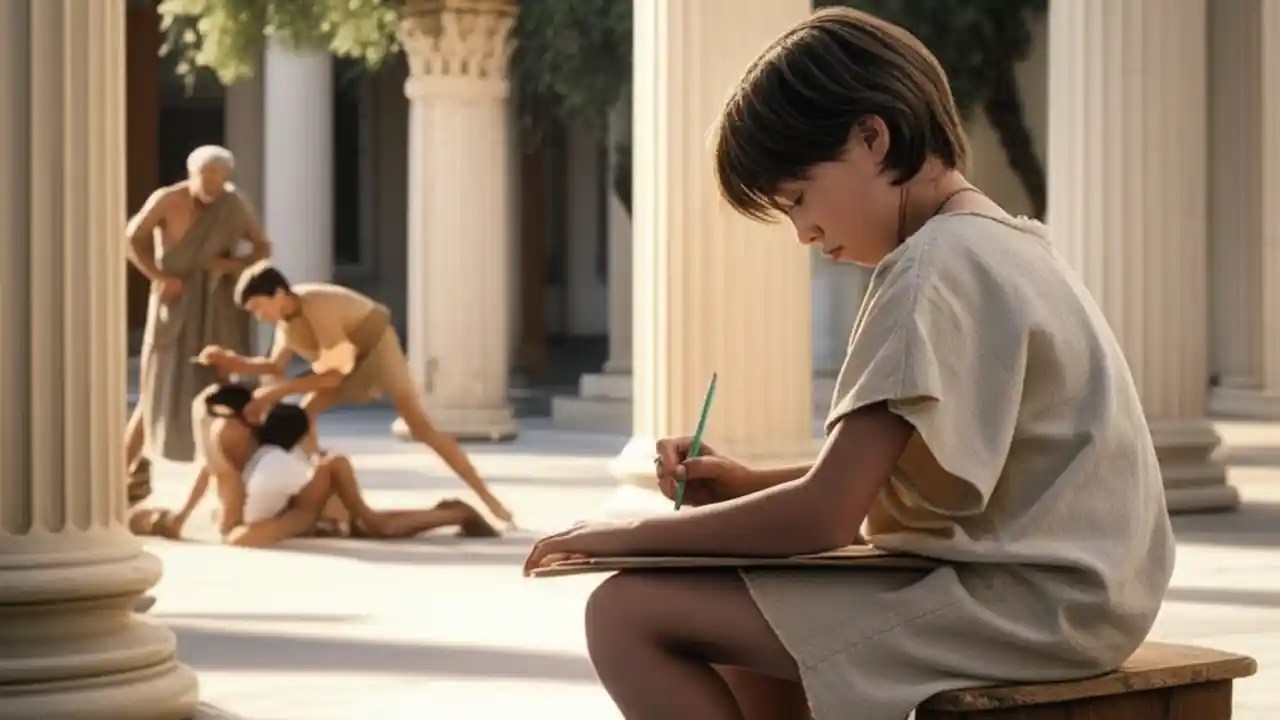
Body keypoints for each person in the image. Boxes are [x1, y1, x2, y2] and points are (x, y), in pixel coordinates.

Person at [521, 8, 1175, 720]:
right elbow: (909, 475)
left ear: (871, 135)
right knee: (742, 609)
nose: (804, 233)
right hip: (1082, 599)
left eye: (798, 199)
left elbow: (824, 517)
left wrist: (621, 536)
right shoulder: (1009, 245)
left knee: (625, 612)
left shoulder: (927, 268)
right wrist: (747, 485)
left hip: (1022, 609)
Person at [194, 265, 516, 527]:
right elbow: (276, 364)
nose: (258, 316)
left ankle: (491, 501)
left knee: (420, 427)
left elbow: (334, 374)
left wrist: (276, 391)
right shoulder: (287, 323)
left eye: (257, 308)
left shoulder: (317, 306)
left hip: (377, 351)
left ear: (278, 294)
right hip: (345, 364)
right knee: (305, 414)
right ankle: (322, 489)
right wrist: (231, 361)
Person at [131, 383, 499, 547]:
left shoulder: (256, 438)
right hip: (299, 501)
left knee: (373, 525)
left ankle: (456, 515)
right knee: (368, 523)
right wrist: (184, 514)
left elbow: (307, 457)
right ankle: (447, 512)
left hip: (312, 497)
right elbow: (212, 472)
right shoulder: (229, 438)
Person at [124, 144, 270, 505]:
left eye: (220, 180)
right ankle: (124, 472)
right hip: (173, 305)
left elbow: (262, 248)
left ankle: (241, 478)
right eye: (207, 179)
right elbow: (133, 238)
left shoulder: (233, 204)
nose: (213, 188)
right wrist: (158, 276)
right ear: (192, 174)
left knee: (221, 387)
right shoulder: (168, 199)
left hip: (215, 307)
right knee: (153, 390)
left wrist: (229, 267)